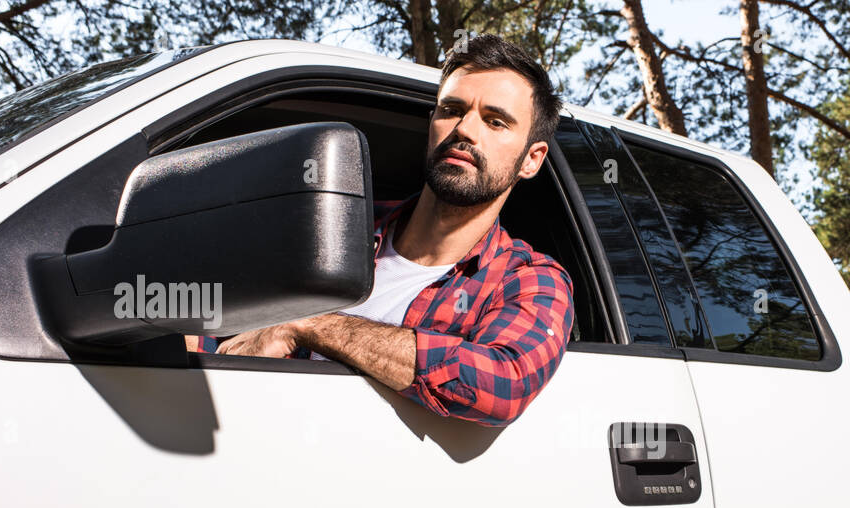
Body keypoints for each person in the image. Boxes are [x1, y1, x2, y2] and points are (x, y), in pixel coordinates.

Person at [190, 34, 574, 428]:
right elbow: (232, 331)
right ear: (432, 124)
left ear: (531, 159)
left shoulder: (529, 280)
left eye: (495, 121)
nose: (465, 130)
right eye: (452, 109)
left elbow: (501, 384)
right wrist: (174, 338)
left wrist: (309, 325)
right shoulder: (331, 227)